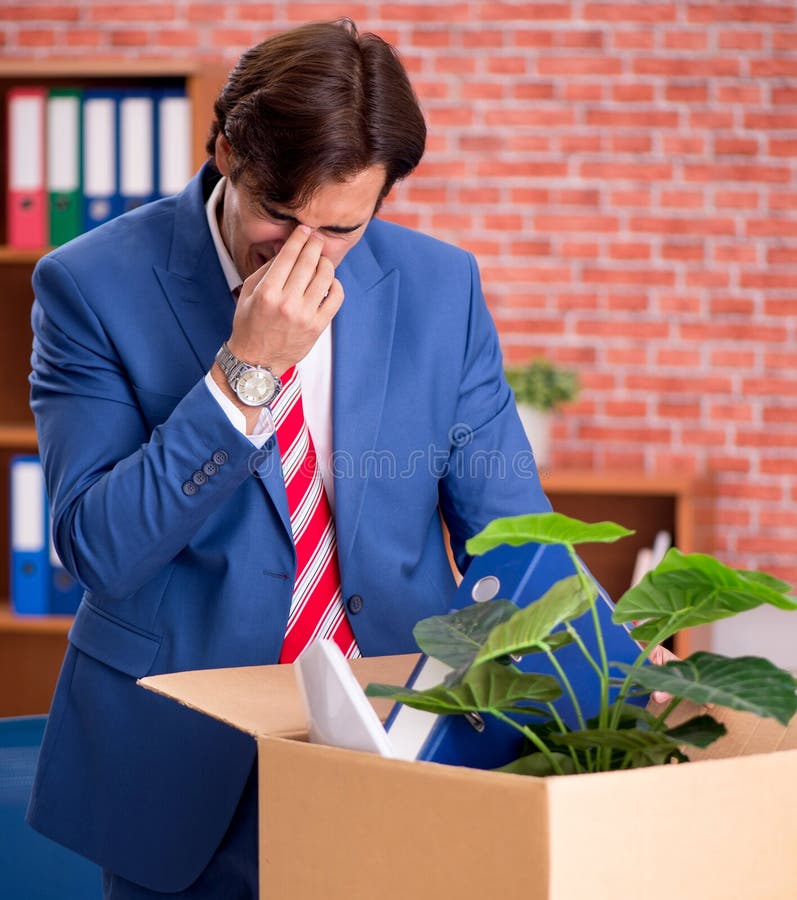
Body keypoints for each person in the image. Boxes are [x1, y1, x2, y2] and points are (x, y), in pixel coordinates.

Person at [26, 19, 550, 900]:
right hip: (182, 754)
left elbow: (511, 529)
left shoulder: (440, 287)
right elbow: (98, 551)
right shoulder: (90, 286)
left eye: (339, 227)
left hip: (399, 742)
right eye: (278, 213)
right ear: (228, 152)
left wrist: (602, 659)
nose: (302, 251)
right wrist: (245, 372)